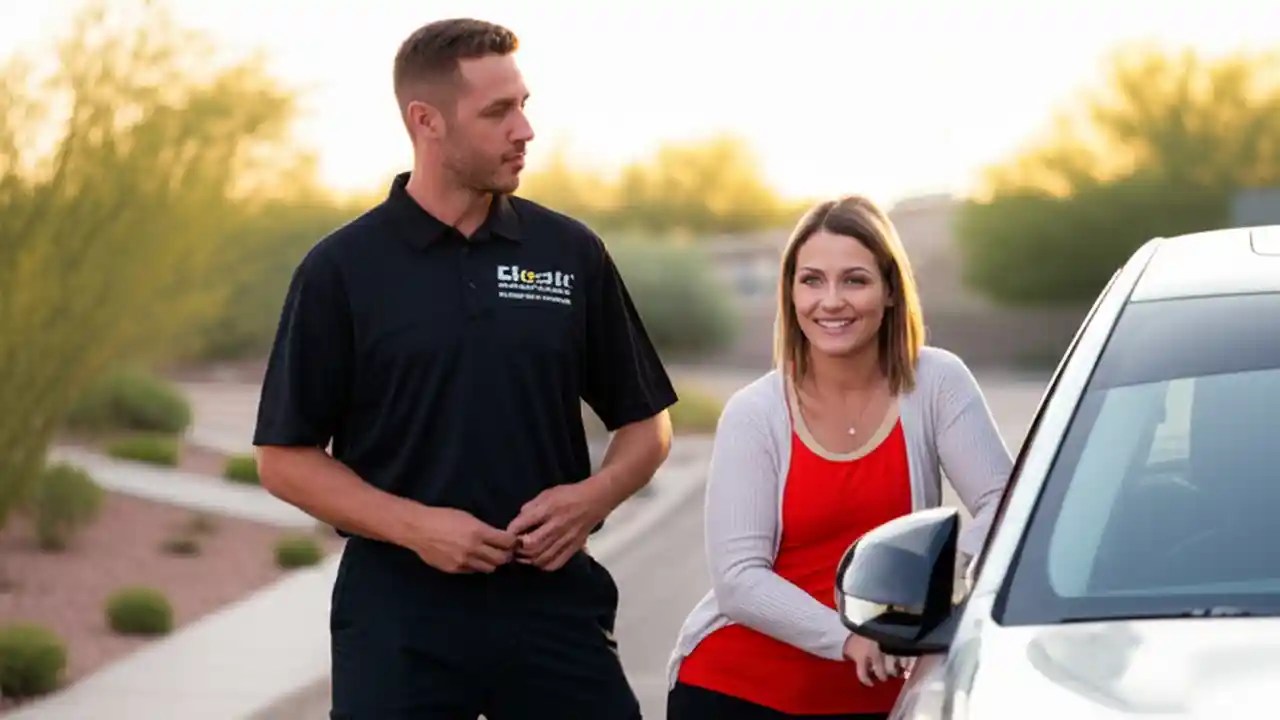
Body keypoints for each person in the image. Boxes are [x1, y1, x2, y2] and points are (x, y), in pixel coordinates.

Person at [252, 18, 677, 720]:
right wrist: (417, 526)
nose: (525, 130)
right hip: (398, 622)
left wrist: (594, 498)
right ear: (427, 122)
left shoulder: (570, 252)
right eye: (497, 111)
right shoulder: (342, 270)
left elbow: (647, 424)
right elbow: (284, 459)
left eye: (523, 103)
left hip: (552, 608)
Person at [666, 195, 1012, 719]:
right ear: (790, 293)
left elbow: (1005, 506)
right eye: (811, 280)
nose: (831, 301)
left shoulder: (937, 382)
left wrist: (939, 585)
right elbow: (738, 579)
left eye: (854, 280)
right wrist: (846, 637)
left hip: (885, 693)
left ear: (891, 290)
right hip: (740, 691)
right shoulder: (755, 412)